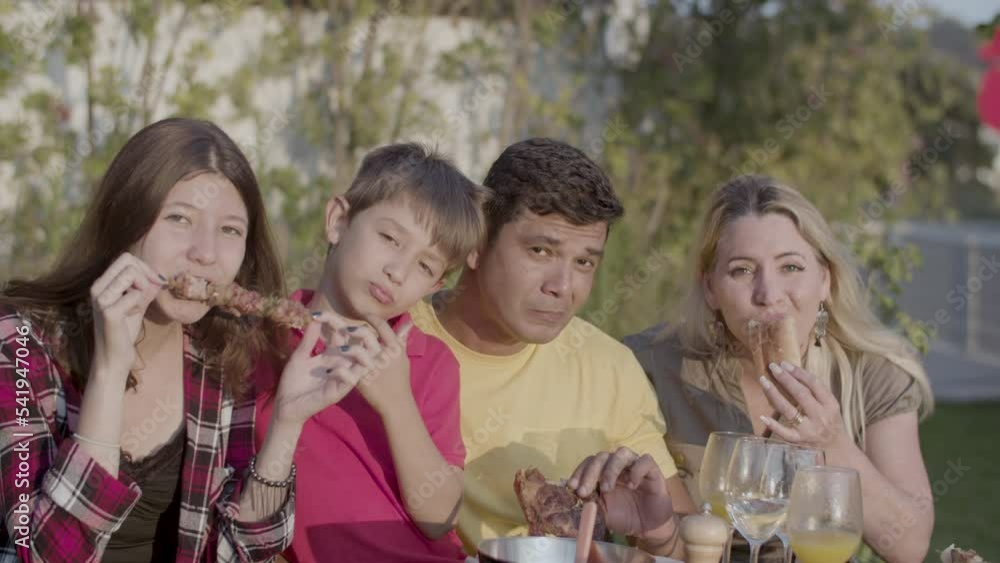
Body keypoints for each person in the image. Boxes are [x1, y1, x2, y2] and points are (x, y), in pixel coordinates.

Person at [0, 118, 352, 562]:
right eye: (179, 219)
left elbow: (242, 549)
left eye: (229, 230)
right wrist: (109, 374)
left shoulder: (222, 355)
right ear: (126, 220)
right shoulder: (19, 342)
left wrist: (285, 424)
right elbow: (42, 554)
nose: (205, 254)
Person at [410, 137, 696, 560]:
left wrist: (658, 533)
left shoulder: (608, 367)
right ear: (477, 240)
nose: (562, 287)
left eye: (584, 262)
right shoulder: (393, 340)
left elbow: (685, 542)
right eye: (541, 250)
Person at [624, 175, 935, 563]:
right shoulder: (649, 367)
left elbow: (908, 546)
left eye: (790, 267)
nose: (768, 295)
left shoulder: (873, 373)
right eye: (741, 270)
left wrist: (832, 442)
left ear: (825, 280)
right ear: (710, 288)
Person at [253, 143, 489, 563]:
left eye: (424, 267)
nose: (396, 271)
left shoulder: (428, 362)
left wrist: (397, 403)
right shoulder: (262, 340)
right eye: (389, 238)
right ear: (338, 220)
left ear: (434, 287)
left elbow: (439, 518)